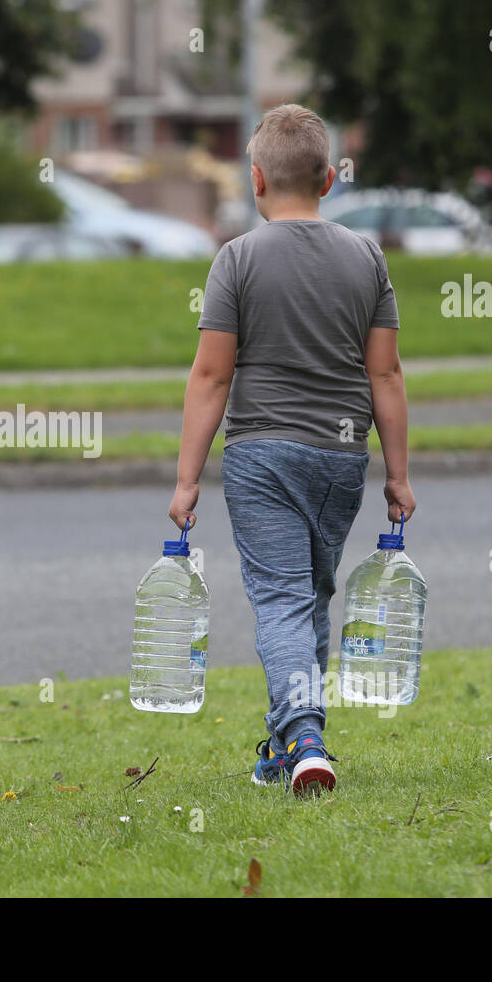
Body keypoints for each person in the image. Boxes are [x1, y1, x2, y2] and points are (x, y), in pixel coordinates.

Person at [167, 103, 415, 797]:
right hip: (342, 458)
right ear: (329, 178)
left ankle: (304, 734)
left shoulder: (238, 259)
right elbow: (385, 375)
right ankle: (288, 751)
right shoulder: (366, 257)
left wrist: (187, 479)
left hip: (262, 456)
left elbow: (212, 375)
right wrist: (398, 475)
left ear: (256, 180)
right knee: (309, 598)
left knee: (281, 601)